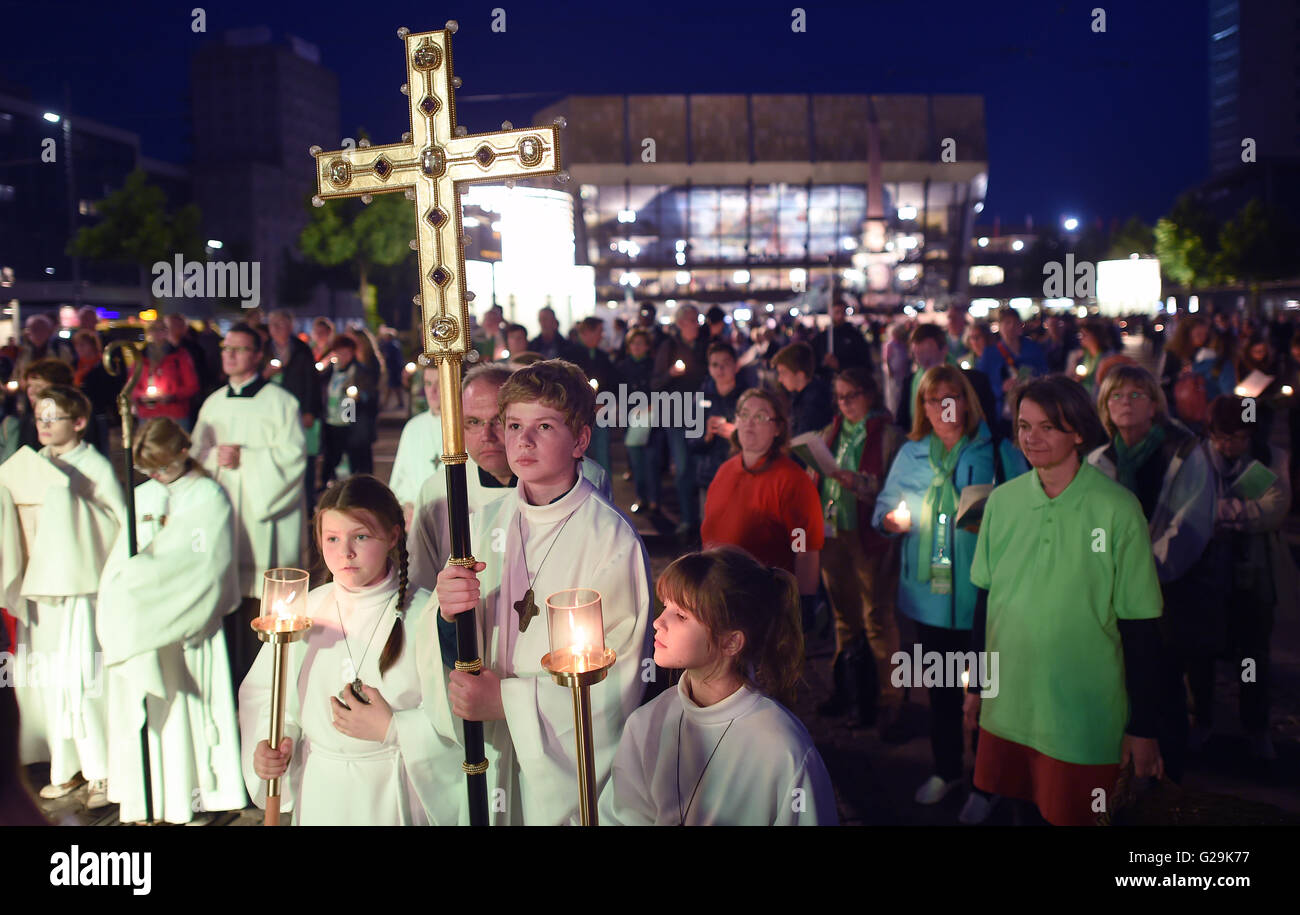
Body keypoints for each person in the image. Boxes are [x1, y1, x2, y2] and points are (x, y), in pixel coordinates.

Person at [433, 359, 653, 825]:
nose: (522, 441)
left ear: (580, 440)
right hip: (496, 752)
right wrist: (448, 617)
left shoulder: (610, 541)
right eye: (513, 425)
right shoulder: (484, 525)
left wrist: (509, 703)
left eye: (544, 426)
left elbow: (615, 680)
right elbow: (452, 638)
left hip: (558, 767)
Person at [965, 376, 1164, 826]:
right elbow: (984, 602)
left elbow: (1140, 627)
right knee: (1021, 814)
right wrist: (976, 686)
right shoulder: (1001, 503)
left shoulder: (1117, 509)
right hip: (1009, 708)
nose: (1031, 439)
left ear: (1078, 431)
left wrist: (1144, 725)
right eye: (1023, 425)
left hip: (1082, 716)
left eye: (1047, 427)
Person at [240, 475, 462, 825]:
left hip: (394, 789)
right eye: (332, 539)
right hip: (322, 789)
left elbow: (456, 720)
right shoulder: (304, 612)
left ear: (392, 535)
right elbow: (269, 696)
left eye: (360, 536)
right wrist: (274, 744)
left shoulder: (424, 615)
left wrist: (394, 728)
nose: (345, 552)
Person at [873, 365, 1027, 822]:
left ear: (966, 402)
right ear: (921, 406)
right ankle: (946, 769)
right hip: (928, 597)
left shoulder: (996, 451)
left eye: (950, 396)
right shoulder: (911, 453)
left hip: (984, 595)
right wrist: (889, 521)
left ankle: (988, 781)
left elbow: (1027, 506)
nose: (941, 407)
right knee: (940, 691)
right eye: (930, 398)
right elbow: (883, 506)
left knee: (988, 692)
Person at [599, 546, 838, 825]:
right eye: (666, 606)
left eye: (681, 616)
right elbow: (620, 816)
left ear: (731, 642)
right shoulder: (646, 722)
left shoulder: (784, 751)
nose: (658, 621)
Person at [96, 418, 246, 824]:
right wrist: (130, 592)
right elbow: (119, 567)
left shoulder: (208, 497)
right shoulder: (144, 496)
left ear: (183, 452)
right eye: (148, 471)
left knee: (184, 714)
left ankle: (190, 798)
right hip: (145, 626)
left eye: (162, 467)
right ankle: (147, 799)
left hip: (186, 630)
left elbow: (205, 566)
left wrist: (148, 588)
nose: (157, 477)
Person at [1087, 365, 1215, 785]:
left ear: (1154, 404)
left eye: (1136, 395)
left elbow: (1190, 524)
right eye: (1116, 396)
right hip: (1113, 593)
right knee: (1123, 679)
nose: (1125, 403)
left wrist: (1144, 572)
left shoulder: (1183, 451)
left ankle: (1170, 780)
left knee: (1165, 682)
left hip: (1168, 592)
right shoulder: (1099, 459)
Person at [9, 385, 126, 809]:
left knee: (82, 678)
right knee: (48, 679)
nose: (43, 424)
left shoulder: (92, 465)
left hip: (81, 591)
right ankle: (63, 765)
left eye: (52, 417)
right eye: (39, 416)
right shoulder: (31, 466)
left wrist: (72, 504)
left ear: (77, 422)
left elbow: (118, 522)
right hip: (39, 589)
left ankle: (102, 770)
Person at [407, 363, 610, 594]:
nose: (487, 436)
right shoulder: (439, 489)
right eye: (473, 422)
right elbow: (420, 583)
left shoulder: (585, 477)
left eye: (498, 421)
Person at [191, 323, 307, 686]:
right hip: (225, 514)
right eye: (227, 348)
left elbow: (294, 459)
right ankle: (229, 680)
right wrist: (214, 459)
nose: (229, 354)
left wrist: (248, 458)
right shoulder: (212, 403)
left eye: (239, 349)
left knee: (264, 605)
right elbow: (196, 457)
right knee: (229, 604)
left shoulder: (281, 402)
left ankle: (270, 680)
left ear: (258, 355)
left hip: (263, 517)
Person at [1186, 396, 1297, 761]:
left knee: (1252, 657)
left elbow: (1273, 509)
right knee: (1200, 653)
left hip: (1255, 575)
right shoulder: (1196, 458)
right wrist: (1232, 512)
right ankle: (1202, 720)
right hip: (1206, 574)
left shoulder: (1270, 459)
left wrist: (1222, 513)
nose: (1228, 445)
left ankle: (1256, 727)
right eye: (1222, 437)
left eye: (1237, 437)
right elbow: (1191, 510)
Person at [816, 368, 905, 732]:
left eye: (851, 395)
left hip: (868, 534)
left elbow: (894, 489)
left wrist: (859, 483)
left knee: (877, 618)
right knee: (843, 615)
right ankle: (850, 690)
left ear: (869, 394)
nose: (845, 403)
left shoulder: (887, 435)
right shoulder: (831, 431)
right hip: (833, 532)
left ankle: (891, 700)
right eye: (839, 396)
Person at [700, 387, 823, 625]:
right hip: (718, 598)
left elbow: (804, 547)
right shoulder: (725, 471)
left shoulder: (792, 480)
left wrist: (802, 603)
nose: (749, 423)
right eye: (744, 415)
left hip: (765, 606)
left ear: (778, 428)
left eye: (760, 417)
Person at [652, 304, 710, 542]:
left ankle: (705, 518)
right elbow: (655, 383)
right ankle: (688, 519)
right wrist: (670, 375)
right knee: (684, 467)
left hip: (702, 414)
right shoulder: (669, 347)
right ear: (679, 323)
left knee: (702, 467)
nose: (695, 324)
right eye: (689, 320)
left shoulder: (705, 346)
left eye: (696, 319)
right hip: (677, 415)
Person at [264, 309, 324, 514]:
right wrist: (266, 374)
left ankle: (307, 504)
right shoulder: (263, 350)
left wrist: (310, 411)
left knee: (303, 456)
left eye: (281, 324)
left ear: (290, 327)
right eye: (272, 325)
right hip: (270, 413)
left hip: (297, 409)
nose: (276, 329)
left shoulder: (301, 349)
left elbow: (312, 382)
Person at [689, 343, 744, 512]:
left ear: (735, 366)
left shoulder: (747, 398)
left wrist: (737, 434)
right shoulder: (700, 399)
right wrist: (705, 436)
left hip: (741, 476)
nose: (720, 369)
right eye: (714, 364)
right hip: (710, 476)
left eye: (725, 363)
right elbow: (691, 442)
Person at [976, 307, 1048, 432]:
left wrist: (1032, 381)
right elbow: (981, 385)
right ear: (1000, 326)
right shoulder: (990, 353)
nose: (1011, 327)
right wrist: (1000, 388)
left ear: (1021, 325)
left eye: (1015, 323)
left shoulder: (1033, 348)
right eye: (1007, 323)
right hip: (1001, 412)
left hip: (1031, 405)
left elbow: (1045, 373)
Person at [390, 362, 444, 527]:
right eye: (428, 384)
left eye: (440, 384)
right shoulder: (413, 428)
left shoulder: (467, 426)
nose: (432, 391)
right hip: (418, 522)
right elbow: (398, 481)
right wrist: (406, 506)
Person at [320, 335, 378, 484]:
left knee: (354, 456)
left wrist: (360, 396)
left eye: (346, 353)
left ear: (352, 353)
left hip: (351, 420)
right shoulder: (329, 371)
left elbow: (370, 394)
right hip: (331, 420)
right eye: (339, 353)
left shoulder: (360, 371)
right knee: (333, 456)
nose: (342, 357)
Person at [616, 328, 659, 516]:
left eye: (640, 343)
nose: (636, 347)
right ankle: (641, 497)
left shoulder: (654, 366)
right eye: (633, 343)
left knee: (652, 460)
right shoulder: (622, 367)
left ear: (647, 346)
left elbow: (661, 387)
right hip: (631, 419)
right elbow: (617, 391)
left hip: (653, 418)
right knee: (637, 462)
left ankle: (655, 499)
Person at [133, 319, 201, 432]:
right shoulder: (140, 357)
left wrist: (172, 396)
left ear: (167, 332)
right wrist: (141, 396)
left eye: (162, 329)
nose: (157, 333)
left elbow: (192, 386)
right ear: (149, 332)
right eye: (154, 329)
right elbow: (132, 385)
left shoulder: (179, 355)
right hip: (148, 415)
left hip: (175, 415)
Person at [571, 316, 617, 477]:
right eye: (599, 331)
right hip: (576, 417)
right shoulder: (570, 355)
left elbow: (613, 383)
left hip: (599, 416)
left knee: (603, 457)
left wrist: (605, 403)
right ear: (587, 333)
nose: (602, 335)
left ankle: (605, 496)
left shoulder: (602, 357)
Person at [71, 330, 118, 459]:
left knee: (101, 447)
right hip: (81, 412)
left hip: (98, 412)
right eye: (77, 345)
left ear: (92, 345)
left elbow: (109, 387)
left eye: (83, 345)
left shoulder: (103, 363)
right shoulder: (76, 365)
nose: (79, 349)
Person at [772, 342, 834, 438]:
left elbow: (801, 441)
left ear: (800, 375)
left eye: (783, 373)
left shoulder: (814, 403)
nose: (780, 379)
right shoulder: (802, 396)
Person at [18, 358, 75, 450]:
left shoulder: (75, 416)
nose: (31, 392)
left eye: (39, 386)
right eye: (29, 386)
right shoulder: (28, 421)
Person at [812, 298, 873, 377]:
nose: (840, 316)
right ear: (830, 313)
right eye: (837, 312)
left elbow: (864, 362)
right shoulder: (822, 337)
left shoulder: (854, 335)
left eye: (843, 312)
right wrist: (823, 363)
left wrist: (840, 366)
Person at [14, 313, 74, 380]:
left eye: (41, 329)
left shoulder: (60, 351)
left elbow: (67, 373)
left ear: (49, 332)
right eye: (34, 329)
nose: (37, 333)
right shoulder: (23, 351)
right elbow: (17, 373)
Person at [1067, 318, 1113, 394]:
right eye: (1080, 335)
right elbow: (1069, 377)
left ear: (1096, 335)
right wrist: (1076, 379)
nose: (1081, 338)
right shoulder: (1078, 356)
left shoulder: (1109, 357)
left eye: (1085, 334)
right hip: (1084, 397)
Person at [882, 321, 912, 419]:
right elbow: (886, 359)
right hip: (893, 374)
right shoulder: (889, 344)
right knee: (893, 395)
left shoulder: (902, 344)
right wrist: (889, 370)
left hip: (903, 374)